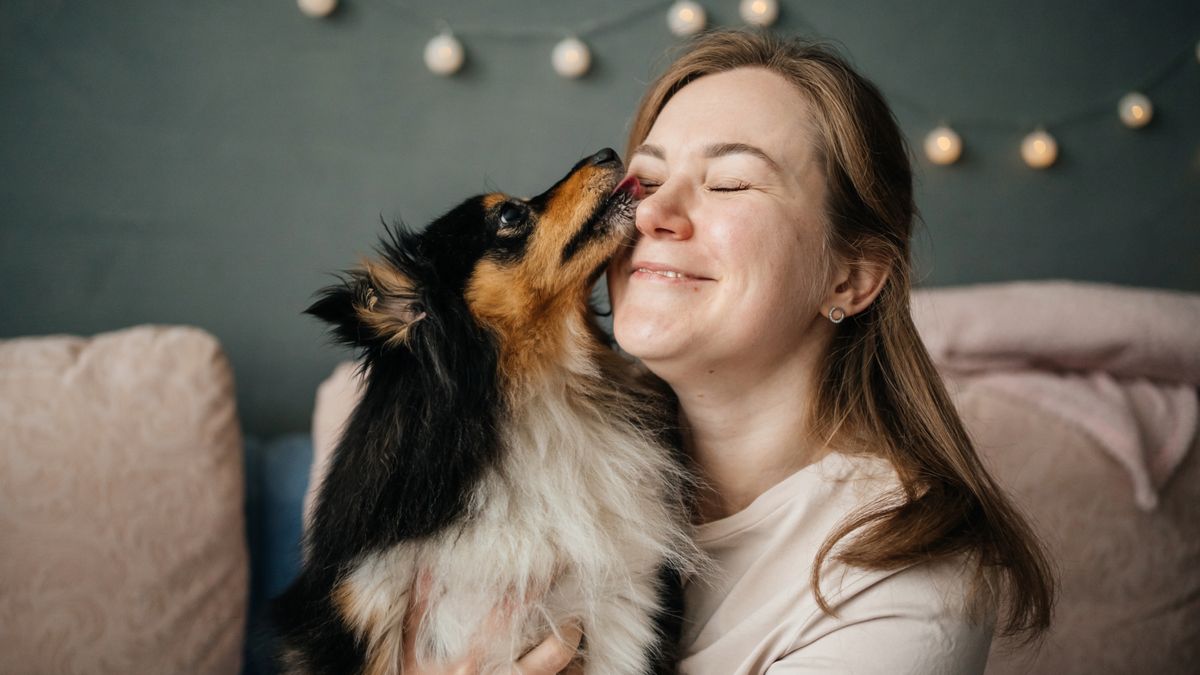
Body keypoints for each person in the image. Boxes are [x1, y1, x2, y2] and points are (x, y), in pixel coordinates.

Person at [410, 29, 1054, 674]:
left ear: (851, 278)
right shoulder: (481, 452)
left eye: (730, 183)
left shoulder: (903, 587)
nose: (650, 213)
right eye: (647, 178)